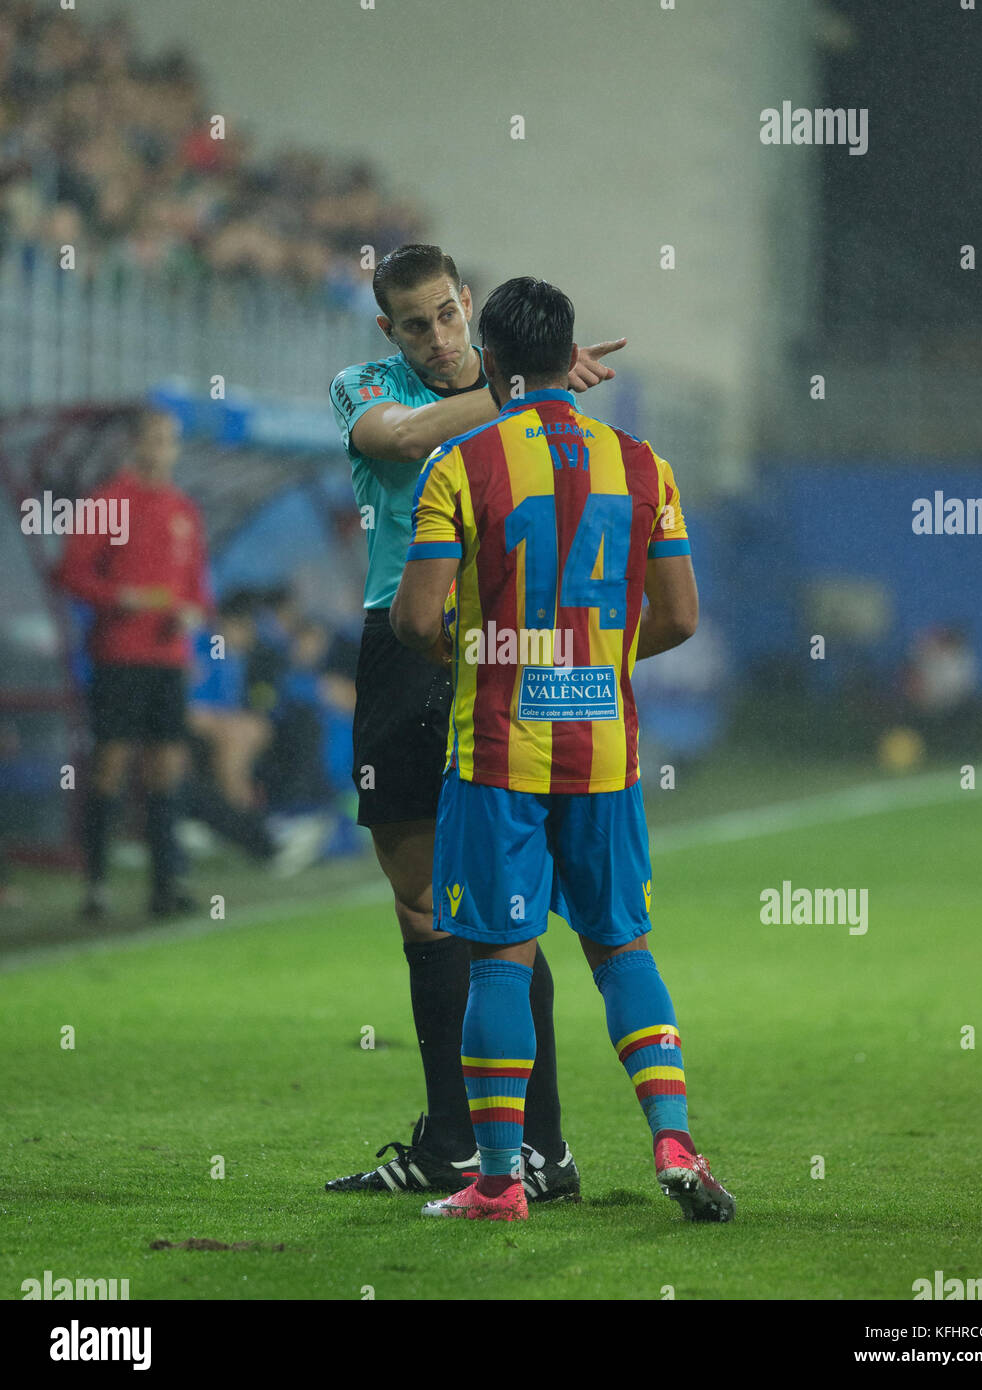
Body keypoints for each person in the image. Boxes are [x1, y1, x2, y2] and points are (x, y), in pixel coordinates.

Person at [391, 276, 735, 1223]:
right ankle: (673, 1139)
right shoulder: (643, 464)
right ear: (568, 354)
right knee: (621, 945)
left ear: (492, 363)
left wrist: (486, 649)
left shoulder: (461, 466)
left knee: (500, 954)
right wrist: (592, 653)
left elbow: (416, 616)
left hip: (498, 752)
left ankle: (499, 1180)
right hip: (607, 751)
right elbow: (681, 616)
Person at [326, 245, 624, 1201]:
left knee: (503, 908)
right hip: (397, 642)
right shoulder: (364, 387)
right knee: (420, 901)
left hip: (491, 642)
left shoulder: (516, 402)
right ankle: (453, 1140)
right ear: (389, 332)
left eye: (449, 316)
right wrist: (521, 390)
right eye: (416, 324)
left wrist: (524, 392)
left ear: (466, 305)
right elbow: (402, 441)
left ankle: (540, 1148)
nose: (438, 337)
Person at [56, 408, 210, 918]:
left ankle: (166, 887)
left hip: (168, 659)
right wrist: (122, 597)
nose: (163, 449)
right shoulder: (108, 502)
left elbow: (197, 588)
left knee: (166, 770)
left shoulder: (184, 508)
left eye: (171, 440)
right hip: (119, 656)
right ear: (134, 444)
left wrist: (191, 615)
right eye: (154, 440)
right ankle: (96, 887)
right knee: (110, 769)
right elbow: (71, 573)